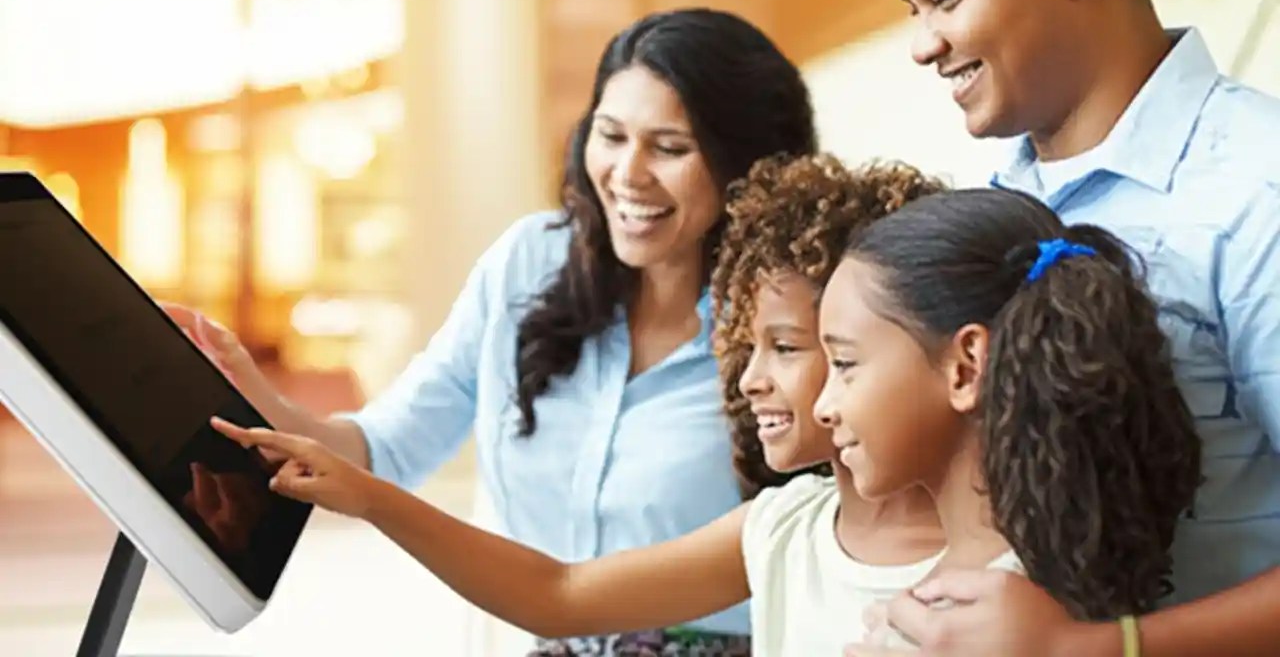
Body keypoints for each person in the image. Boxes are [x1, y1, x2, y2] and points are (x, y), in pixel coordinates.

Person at [165, 7, 819, 654]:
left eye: (670, 148)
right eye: (611, 135)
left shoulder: (789, 323)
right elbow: (385, 446)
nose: (628, 173)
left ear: (748, 166)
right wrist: (254, 393)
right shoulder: (528, 264)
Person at [205, 155, 949, 656]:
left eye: (787, 348)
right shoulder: (781, 528)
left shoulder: (995, 547)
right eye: (747, 347)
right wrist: (370, 500)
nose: (749, 380)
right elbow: (556, 594)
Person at [862, 0, 1280, 654]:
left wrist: (1105, 646)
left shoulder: (1257, 189)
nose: (922, 45)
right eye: (911, 8)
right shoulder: (992, 206)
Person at [804, 188, 1198, 653]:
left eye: (846, 364)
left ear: (966, 367)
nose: (822, 407)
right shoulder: (1041, 589)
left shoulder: (959, 631)